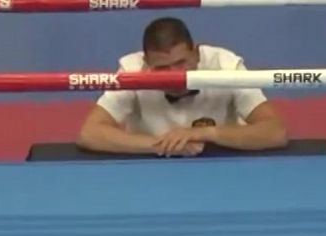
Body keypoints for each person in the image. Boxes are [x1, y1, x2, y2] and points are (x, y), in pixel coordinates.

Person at [77, 16, 288, 158]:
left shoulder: (226, 65)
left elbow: (275, 132)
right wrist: (161, 144)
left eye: (181, 63)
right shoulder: (133, 71)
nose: (174, 76)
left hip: (222, 169)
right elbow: (90, 133)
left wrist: (206, 134)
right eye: (162, 68)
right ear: (146, 64)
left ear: (196, 54)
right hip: (151, 172)